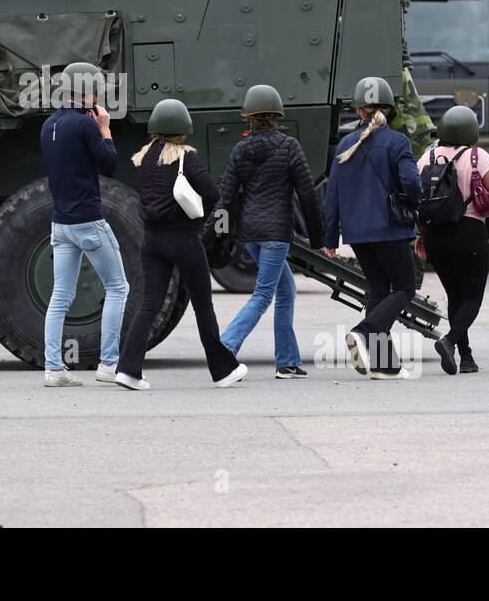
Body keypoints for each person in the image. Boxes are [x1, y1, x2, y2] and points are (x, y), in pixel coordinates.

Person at [115, 99, 247, 390]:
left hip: (151, 241)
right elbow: (213, 194)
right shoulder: (186, 158)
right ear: (182, 130)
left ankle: (127, 369)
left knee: (148, 305)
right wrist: (200, 218)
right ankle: (223, 370)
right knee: (203, 305)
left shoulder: (143, 160)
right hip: (183, 240)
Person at [209, 84, 324, 379]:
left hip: (250, 237)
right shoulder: (289, 147)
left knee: (287, 290)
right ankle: (224, 348)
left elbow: (225, 196)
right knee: (263, 295)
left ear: (249, 117)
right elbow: (308, 195)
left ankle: (286, 361)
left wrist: (212, 232)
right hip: (275, 234)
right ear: (277, 116)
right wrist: (318, 237)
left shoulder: (239, 149)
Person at [322, 76, 423, 379]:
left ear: (359, 110)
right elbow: (412, 183)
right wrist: (414, 204)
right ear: (389, 109)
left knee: (378, 290)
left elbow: (333, 195)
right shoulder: (397, 142)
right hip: (389, 229)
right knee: (405, 287)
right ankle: (364, 331)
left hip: (357, 234)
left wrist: (330, 238)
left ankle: (384, 365)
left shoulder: (345, 144)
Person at [39, 61, 129, 387]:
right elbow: (109, 165)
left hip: (59, 224)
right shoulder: (86, 126)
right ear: (88, 91)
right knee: (119, 288)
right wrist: (105, 128)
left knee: (60, 295)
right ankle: (108, 363)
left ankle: (53, 369)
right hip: (89, 222)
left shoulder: (48, 124)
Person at [418, 105, 489, 375]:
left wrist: (421, 234)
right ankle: (450, 340)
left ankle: (465, 357)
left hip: (434, 234)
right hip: (469, 231)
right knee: (472, 297)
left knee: (454, 294)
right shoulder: (477, 156)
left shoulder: (426, 157)